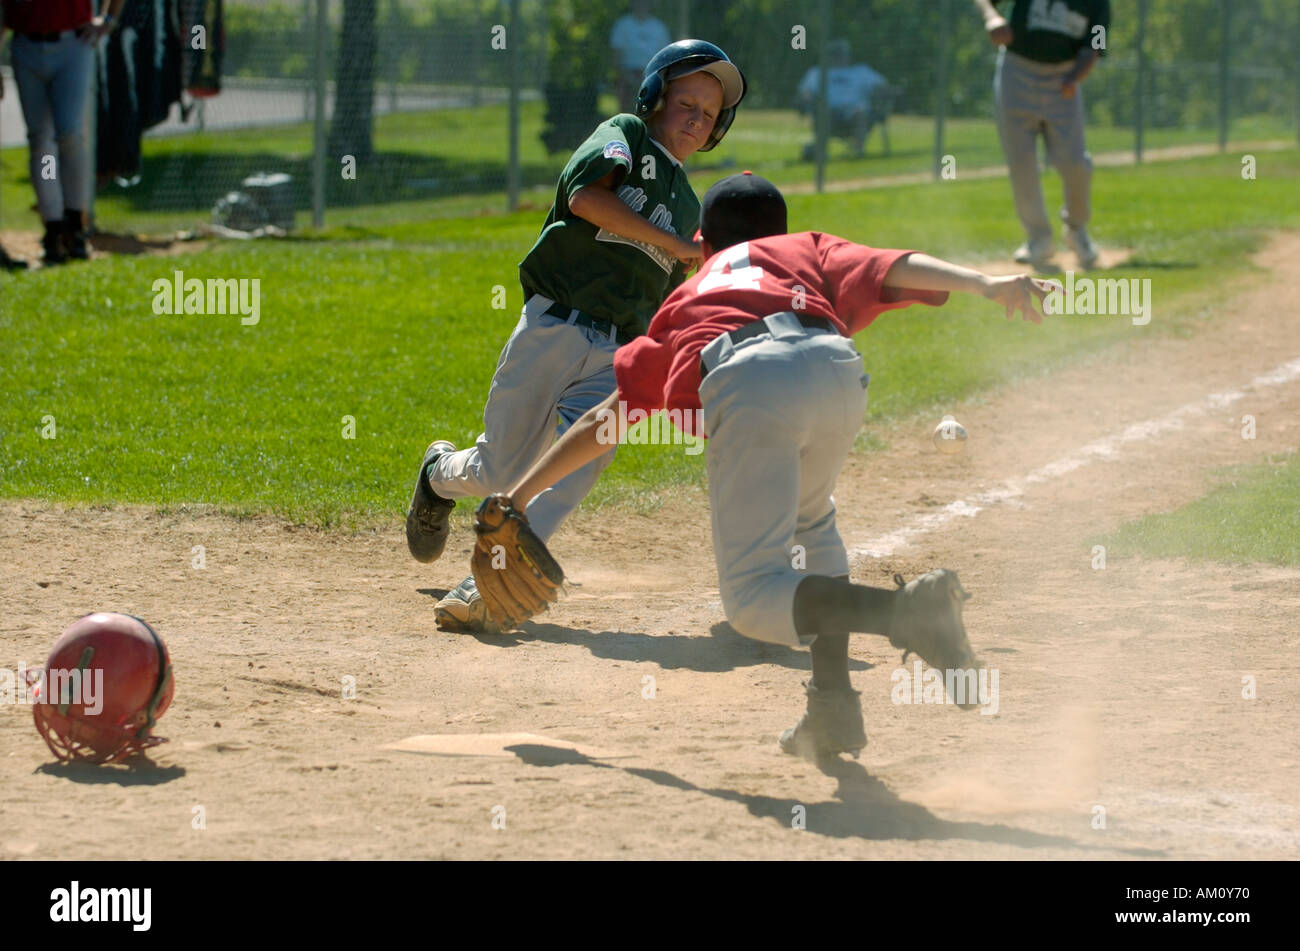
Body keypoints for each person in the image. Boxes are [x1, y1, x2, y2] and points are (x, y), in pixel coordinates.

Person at [493, 172, 1052, 760]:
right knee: (812, 527)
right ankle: (832, 707)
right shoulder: (804, 250)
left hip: (751, 377)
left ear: (706, 244)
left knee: (754, 601)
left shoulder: (689, 292)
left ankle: (908, 615)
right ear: (776, 233)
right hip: (837, 367)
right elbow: (896, 266)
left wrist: (519, 496)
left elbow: (604, 420)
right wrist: (988, 284)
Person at [405, 40, 747, 632]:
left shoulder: (691, 202)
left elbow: (666, 303)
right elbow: (586, 199)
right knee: (496, 469)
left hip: (615, 352)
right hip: (554, 324)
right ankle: (438, 475)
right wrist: (676, 246)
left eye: (709, 114)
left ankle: (485, 581)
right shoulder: (624, 136)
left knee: (579, 462)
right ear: (656, 98)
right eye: (686, 102)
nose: (696, 119)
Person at [974, 0, 1110, 270]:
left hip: (1064, 78)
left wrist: (1075, 77)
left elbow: (1096, 42)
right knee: (1021, 162)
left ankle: (1076, 229)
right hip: (1017, 70)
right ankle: (1039, 239)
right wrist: (992, 17)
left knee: (1075, 163)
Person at [0, 0, 121, 264]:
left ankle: (75, 222)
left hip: (73, 44)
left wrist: (108, 20)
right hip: (26, 46)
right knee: (41, 141)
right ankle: (53, 224)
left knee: (70, 134)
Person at [796, 39, 890, 160]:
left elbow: (883, 86)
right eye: (834, 54)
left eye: (841, 54)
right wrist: (806, 99)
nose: (838, 57)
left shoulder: (861, 71)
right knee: (824, 112)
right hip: (830, 113)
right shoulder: (817, 73)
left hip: (855, 112)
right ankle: (821, 152)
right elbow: (806, 93)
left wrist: (884, 93)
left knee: (860, 112)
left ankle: (859, 151)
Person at [610, 1, 673, 115]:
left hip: (652, 74)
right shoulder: (623, 25)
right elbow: (617, 56)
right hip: (627, 74)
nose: (641, 4)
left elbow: (665, 58)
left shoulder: (659, 27)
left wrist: (651, 79)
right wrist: (627, 76)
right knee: (626, 111)